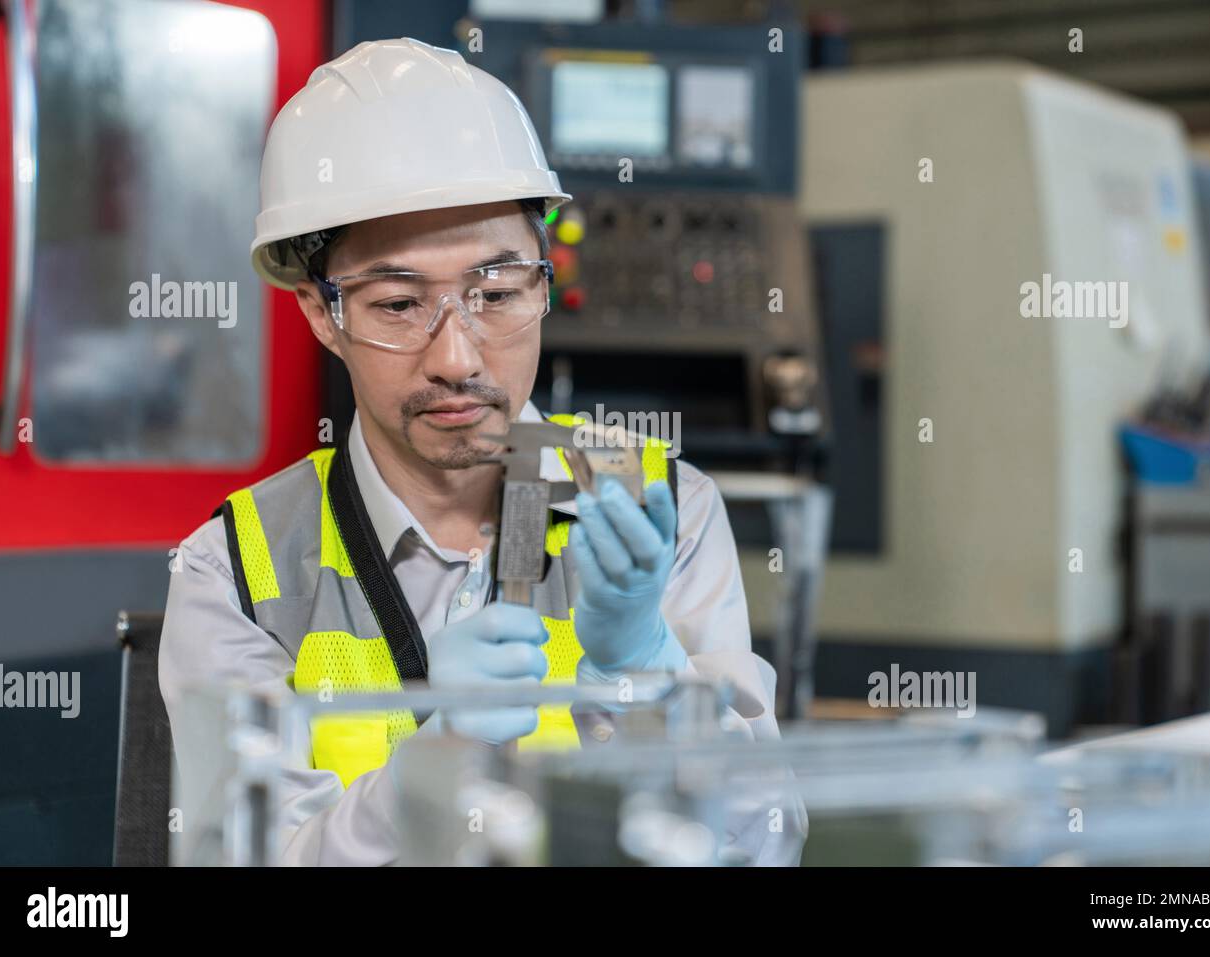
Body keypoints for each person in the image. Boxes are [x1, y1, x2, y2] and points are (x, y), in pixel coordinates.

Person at [158, 37, 805, 865]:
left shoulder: (659, 508)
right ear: (322, 315)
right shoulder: (239, 571)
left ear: (544, 285)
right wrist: (431, 766)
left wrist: (647, 670)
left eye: (496, 293)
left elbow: (768, 843)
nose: (457, 357)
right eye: (397, 304)